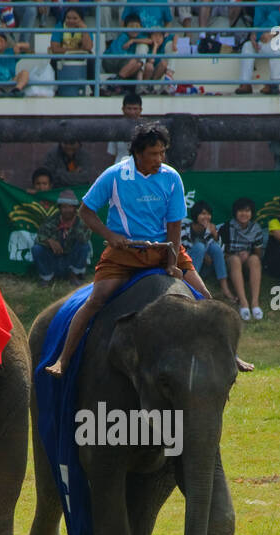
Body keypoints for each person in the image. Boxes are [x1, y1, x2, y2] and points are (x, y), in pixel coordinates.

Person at [43, 122, 208, 377]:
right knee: (95, 300)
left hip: (165, 249)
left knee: (205, 296)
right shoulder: (115, 175)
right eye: (154, 153)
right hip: (124, 254)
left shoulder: (171, 177)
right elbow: (86, 212)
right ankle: (63, 359)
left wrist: (172, 263)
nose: (160, 159)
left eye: (163, 152)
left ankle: (229, 355)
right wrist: (110, 236)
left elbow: (174, 226)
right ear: (138, 153)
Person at [237, 3, 280, 95]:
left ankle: (274, 84)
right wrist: (256, 34)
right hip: (263, 43)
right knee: (248, 46)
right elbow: (265, 35)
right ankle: (245, 83)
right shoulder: (274, 15)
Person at [31, 189, 91, 285]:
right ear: (59, 208)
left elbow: (84, 238)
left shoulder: (81, 221)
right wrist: (49, 241)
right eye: (64, 207)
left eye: (70, 207)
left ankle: (74, 275)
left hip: (71, 260)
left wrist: (71, 227)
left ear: (75, 208)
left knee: (84, 246)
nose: (67, 210)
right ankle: (47, 277)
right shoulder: (52, 220)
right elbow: (39, 237)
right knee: (37, 249)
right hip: (55, 260)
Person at [222, 196, 265, 320]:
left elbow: (258, 253)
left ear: (251, 213)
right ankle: (244, 303)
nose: (244, 214)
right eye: (241, 211)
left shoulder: (256, 228)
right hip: (230, 262)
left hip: (247, 263)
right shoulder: (226, 228)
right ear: (235, 212)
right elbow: (221, 254)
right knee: (235, 260)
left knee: (255, 260)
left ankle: (255, 303)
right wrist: (234, 256)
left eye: (247, 211)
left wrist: (248, 255)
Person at [186, 199, 231, 299]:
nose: (206, 217)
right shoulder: (185, 227)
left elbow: (221, 251)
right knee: (200, 247)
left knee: (215, 247)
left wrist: (215, 235)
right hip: (186, 269)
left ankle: (225, 288)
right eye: (203, 214)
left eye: (208, 214)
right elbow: (181, 250)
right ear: (195, 214)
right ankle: (192, 286)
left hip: (204, 268)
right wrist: (204, 254)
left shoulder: (209, 229)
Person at [107, 93, 142, 165]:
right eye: (129, 108)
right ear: (123, 109)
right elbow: (112, 154)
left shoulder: (147, 128)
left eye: (135, 109)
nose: (132, 112)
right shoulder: (116, 127)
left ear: (140, 110)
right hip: (120, 169)